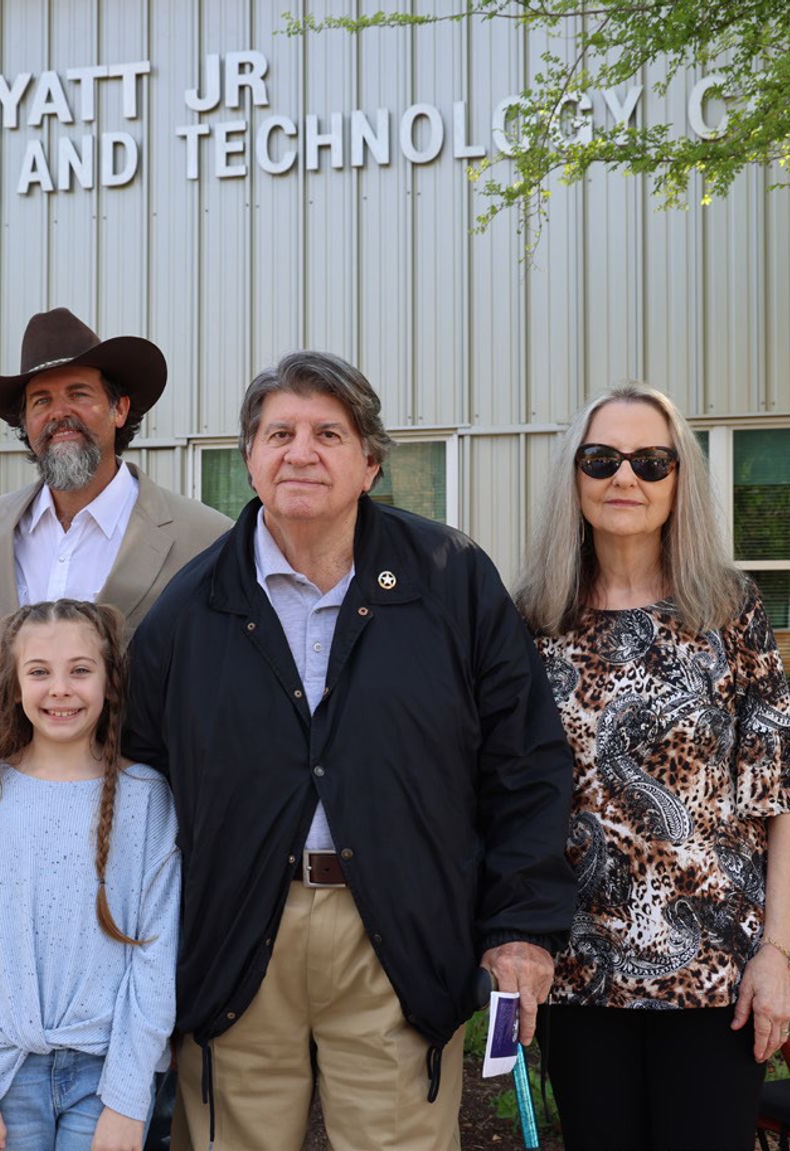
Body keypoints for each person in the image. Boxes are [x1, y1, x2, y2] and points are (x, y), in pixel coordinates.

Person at [123, 351, 576, 1151]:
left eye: (329, 432)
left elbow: (525, 763)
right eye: (280, 432)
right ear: (250, 458)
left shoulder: (452, 581)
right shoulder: (189, 609)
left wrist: (520, 923)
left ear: (369, 462)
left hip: (397, 931)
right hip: (233, 934)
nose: (302, 451)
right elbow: (138, 780)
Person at [514, 383, 790, 1151]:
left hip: (715, 975)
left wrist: (778, 955)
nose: (625, 477)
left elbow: (784, 790)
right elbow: (502, 791)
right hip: (578, 971)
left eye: (650, 461)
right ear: (575, 477)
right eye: (602, 459)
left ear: (678, 479)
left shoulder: (729, 609)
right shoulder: (530, 617)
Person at [0, 600, 178, 1151]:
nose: (60, 689)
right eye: (39, 671)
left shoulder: (147, 800)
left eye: (80, 670)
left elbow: (155, 962)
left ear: (111, 683)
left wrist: (127, 1099)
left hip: (106, 1076)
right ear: (14, 687)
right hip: (4, 1075)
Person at [0, 307, 230, 665]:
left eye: (79, 394)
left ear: (119, 410)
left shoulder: (203, 537)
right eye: (41, 400)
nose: (59, 413)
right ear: (25, 422)